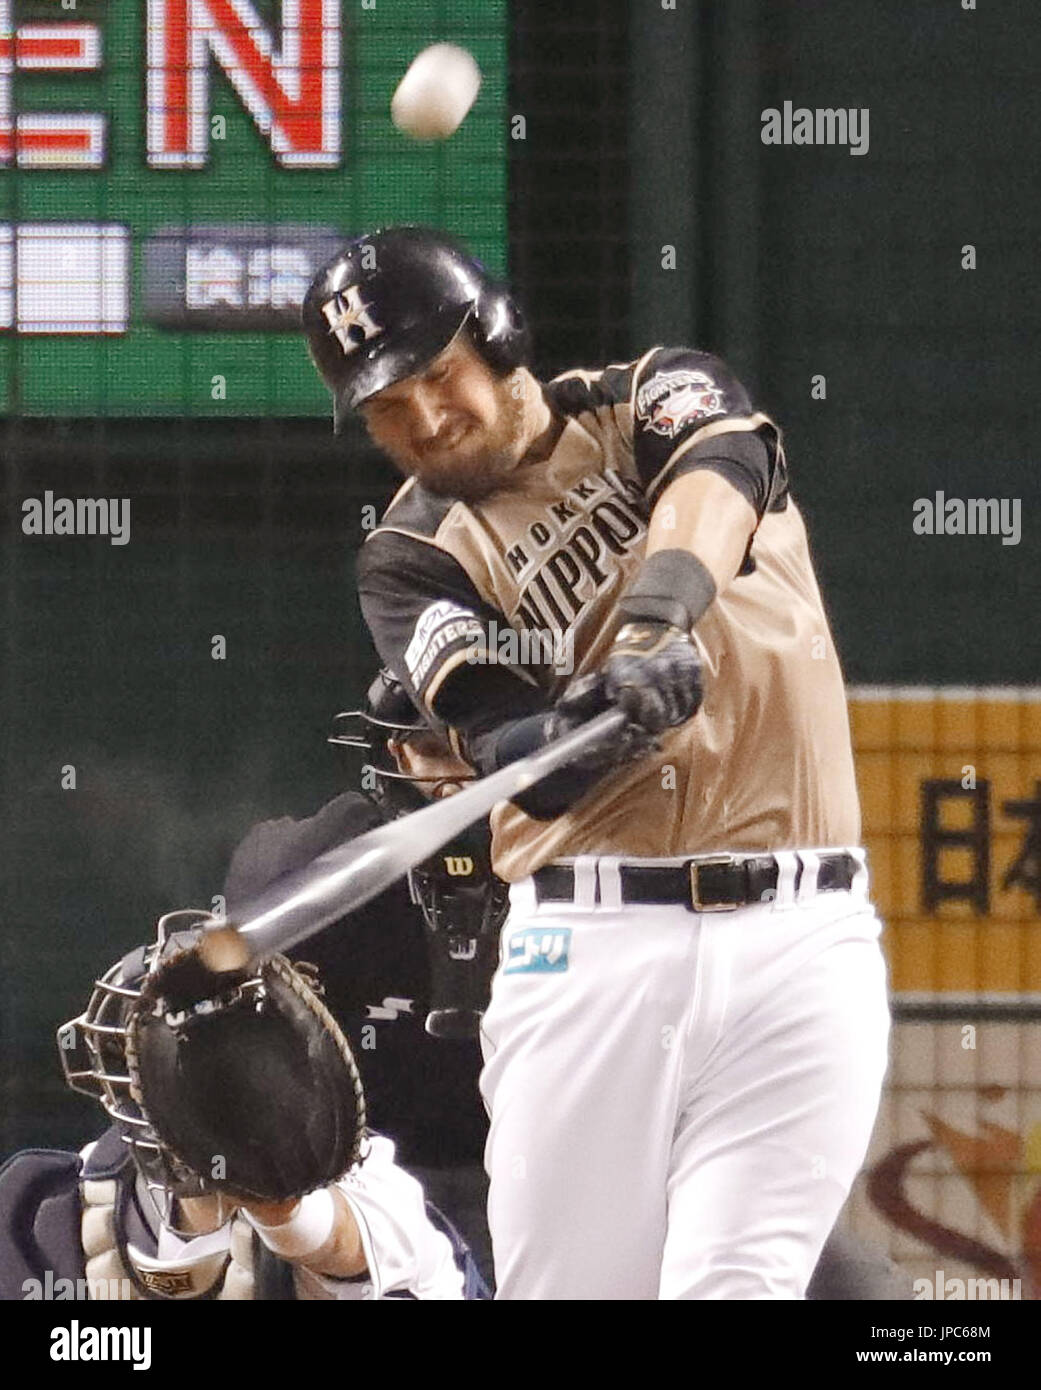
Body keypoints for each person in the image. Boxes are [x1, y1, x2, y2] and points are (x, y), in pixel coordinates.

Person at [302, 226, 893, 1300]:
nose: (426, 419)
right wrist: (587, 720)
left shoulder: (651, 395)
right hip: (595, 941)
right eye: (389, 405)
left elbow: (719, 474)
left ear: (497, 334)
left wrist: (653, 623)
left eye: (439, 374)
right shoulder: (410, 554)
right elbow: (507, 751)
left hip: (806, 936)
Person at [0, 908, 479, 1302]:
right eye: (142, 1062)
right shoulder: (50, 1204)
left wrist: (278, 1202)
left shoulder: (366, 1179)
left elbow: (334, 1241)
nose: (185, 1088)